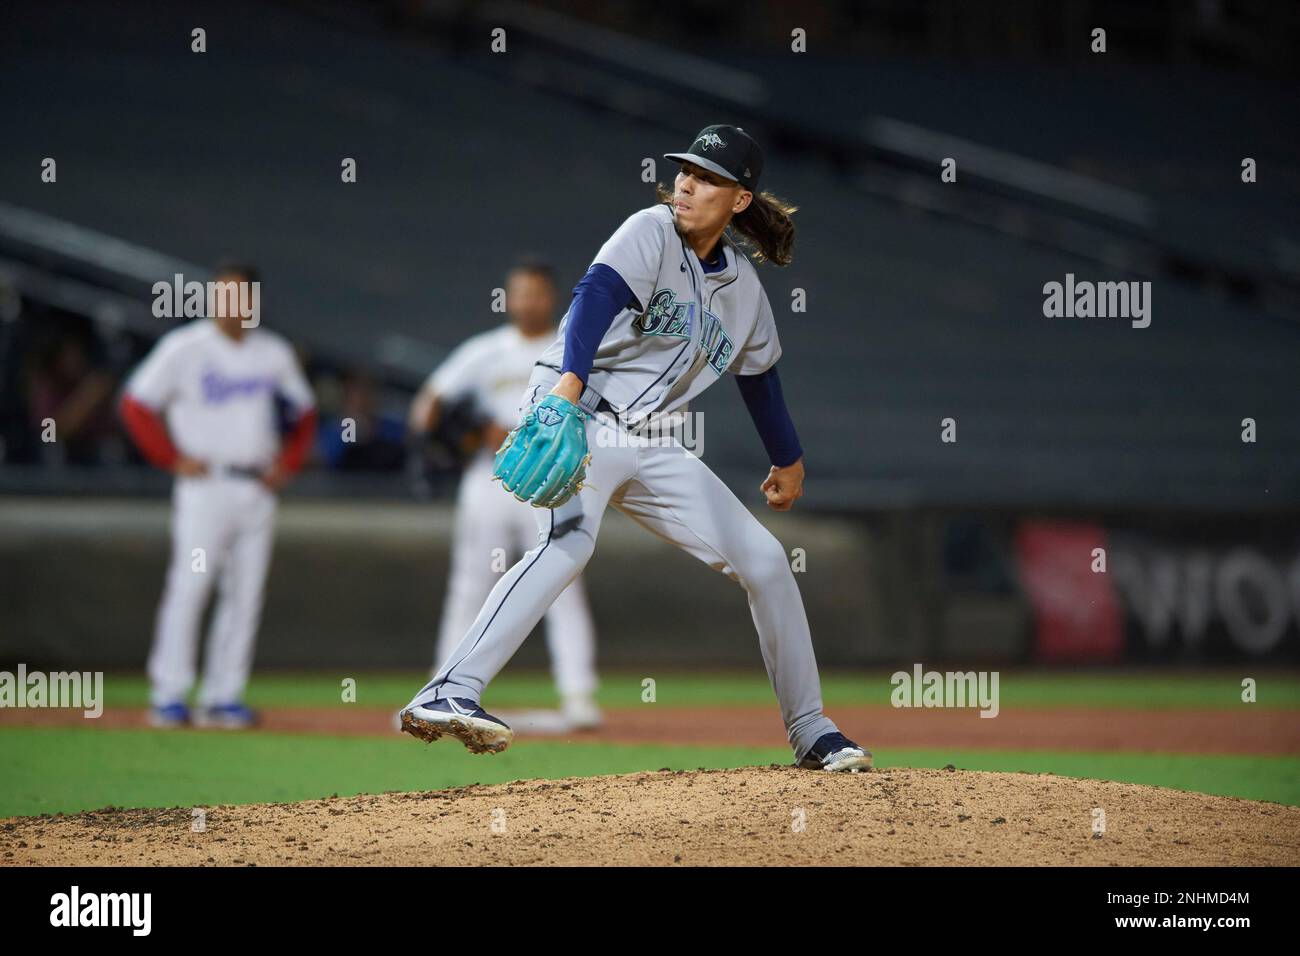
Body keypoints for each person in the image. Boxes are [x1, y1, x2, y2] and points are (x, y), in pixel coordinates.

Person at [399, 125, 871, 772]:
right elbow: (597, 294)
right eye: (685, 170)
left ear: (739, 200)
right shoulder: (650, 228)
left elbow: (760, 380)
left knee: (764, 560)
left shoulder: (745, 294)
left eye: (706, 177)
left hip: (652, 439)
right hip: (578, 413)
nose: (686, 183)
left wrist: (787, 460)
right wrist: (567, 386)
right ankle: (449, 690)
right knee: (569, 540)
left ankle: (812, 731)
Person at [119, 263, 317, 729]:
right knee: (191, 585)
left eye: (239, 296)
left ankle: (223, 695)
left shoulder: (273, 352)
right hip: (205, 486)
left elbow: (305, 415)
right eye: (221, 295)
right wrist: (169, 457)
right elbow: (136, 405)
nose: (230, 305)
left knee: (245, 594)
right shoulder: (185, 347)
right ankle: (169, 692)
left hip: (256, 486)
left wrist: (287, 465)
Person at [408, 259, 601, 730]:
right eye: (519, 292)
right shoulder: (486, 350)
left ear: (552, 298)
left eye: (536, 293)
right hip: (490, 479)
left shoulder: (573, 347)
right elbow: (426, 407)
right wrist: (468, 433)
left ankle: (578, 695)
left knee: (562, 584)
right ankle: (442, 688)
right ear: (508, 298)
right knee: (470, 584)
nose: (527, 301)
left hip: (554, 481)